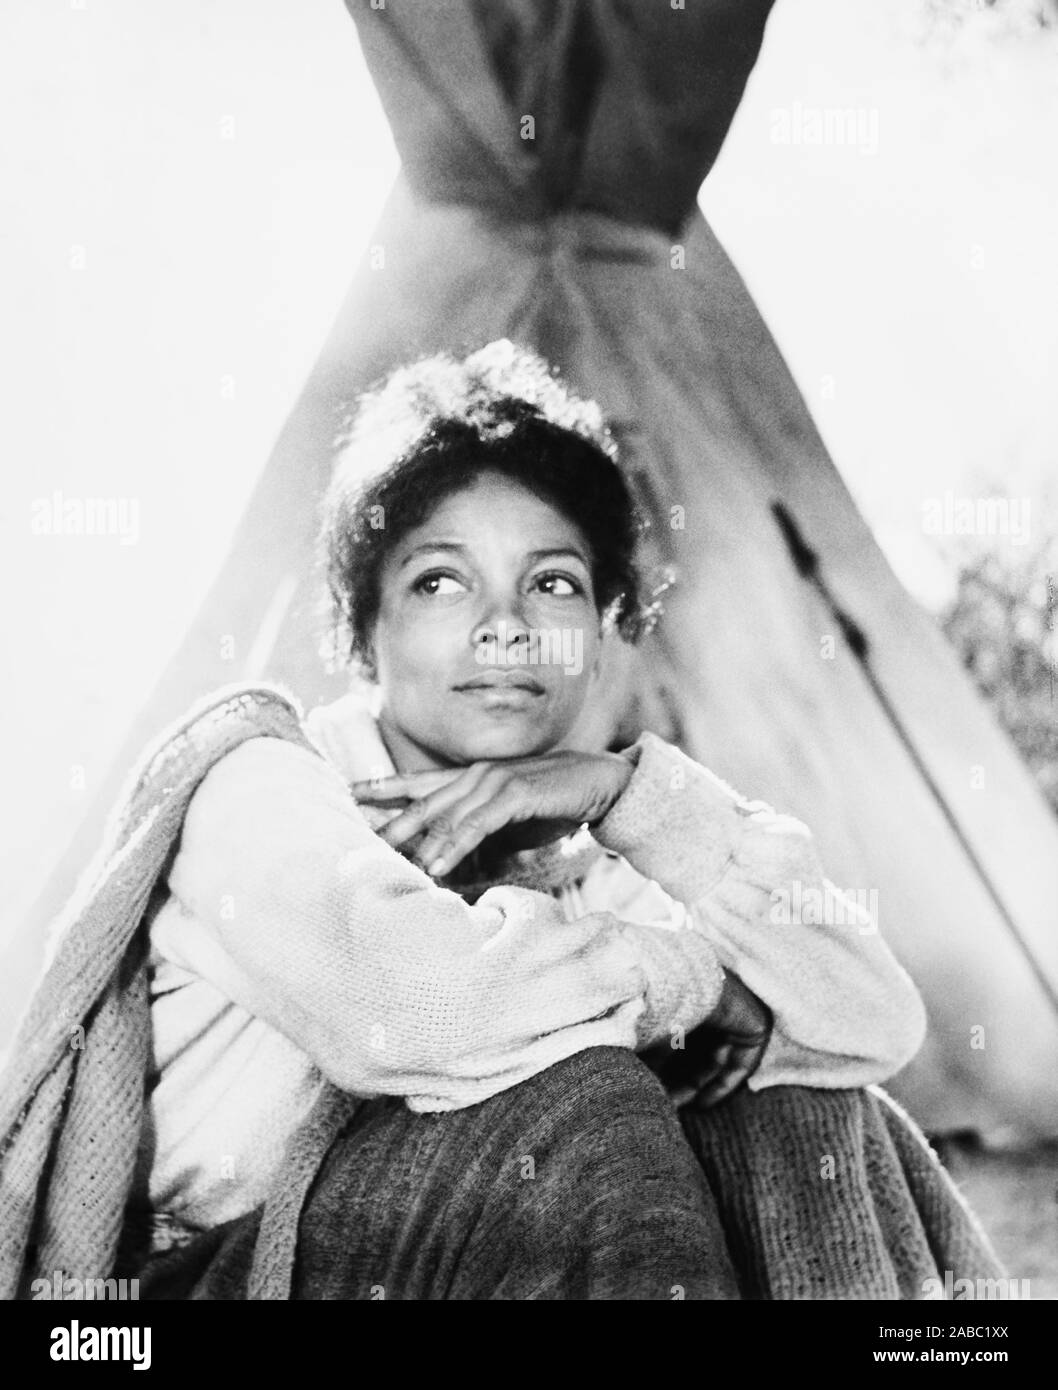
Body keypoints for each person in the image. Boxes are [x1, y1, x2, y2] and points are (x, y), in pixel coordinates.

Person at [0, 341, 999, 1301]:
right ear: (363, 629)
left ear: (604, 627)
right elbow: (423, 1009)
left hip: (456, 1259)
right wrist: (695, 983)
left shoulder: (581, 862)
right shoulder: (264, 787)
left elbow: (866, 1024)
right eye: (440, 581)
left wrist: (626, 794)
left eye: (552, 583)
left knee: (803, 1110)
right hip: (223, 1275)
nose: (505, 626)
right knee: (586, 1097)